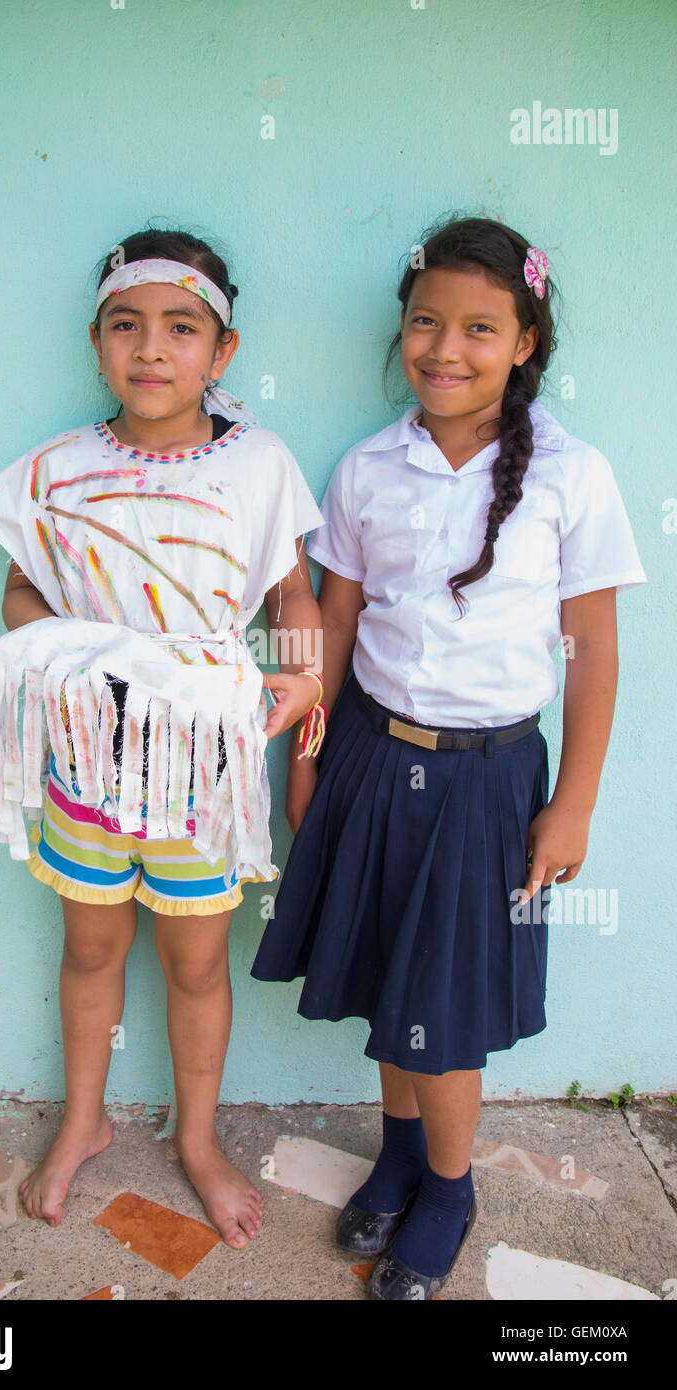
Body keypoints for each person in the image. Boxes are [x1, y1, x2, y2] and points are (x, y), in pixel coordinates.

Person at [251, 216, 646, 1298]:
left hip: (489, 781)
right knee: (390, 969)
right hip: (375, 757)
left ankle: (453, 1184)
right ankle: (398, 1150)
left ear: (525, 341)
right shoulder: (370, 466)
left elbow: (594, 651)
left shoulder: (571, 473)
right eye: (426, 322)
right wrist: (310, 749)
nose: (445, 349)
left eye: (480, 327)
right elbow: (331, 620)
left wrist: (574, 805)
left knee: (449, 1004)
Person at [0, 227, 324, 1249]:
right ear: (96, 342)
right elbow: (19, 591)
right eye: (127, 325)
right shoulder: (60, 471)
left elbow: (291, 589)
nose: (152, 348)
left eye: (181, 328)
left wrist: (301, 681)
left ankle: (198, 1139)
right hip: (87, 758)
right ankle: (84, 1118)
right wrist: (90, 652)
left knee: (197, 964)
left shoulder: (257, 467)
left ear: (224, 349)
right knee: (89, 949)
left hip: (202, 774)